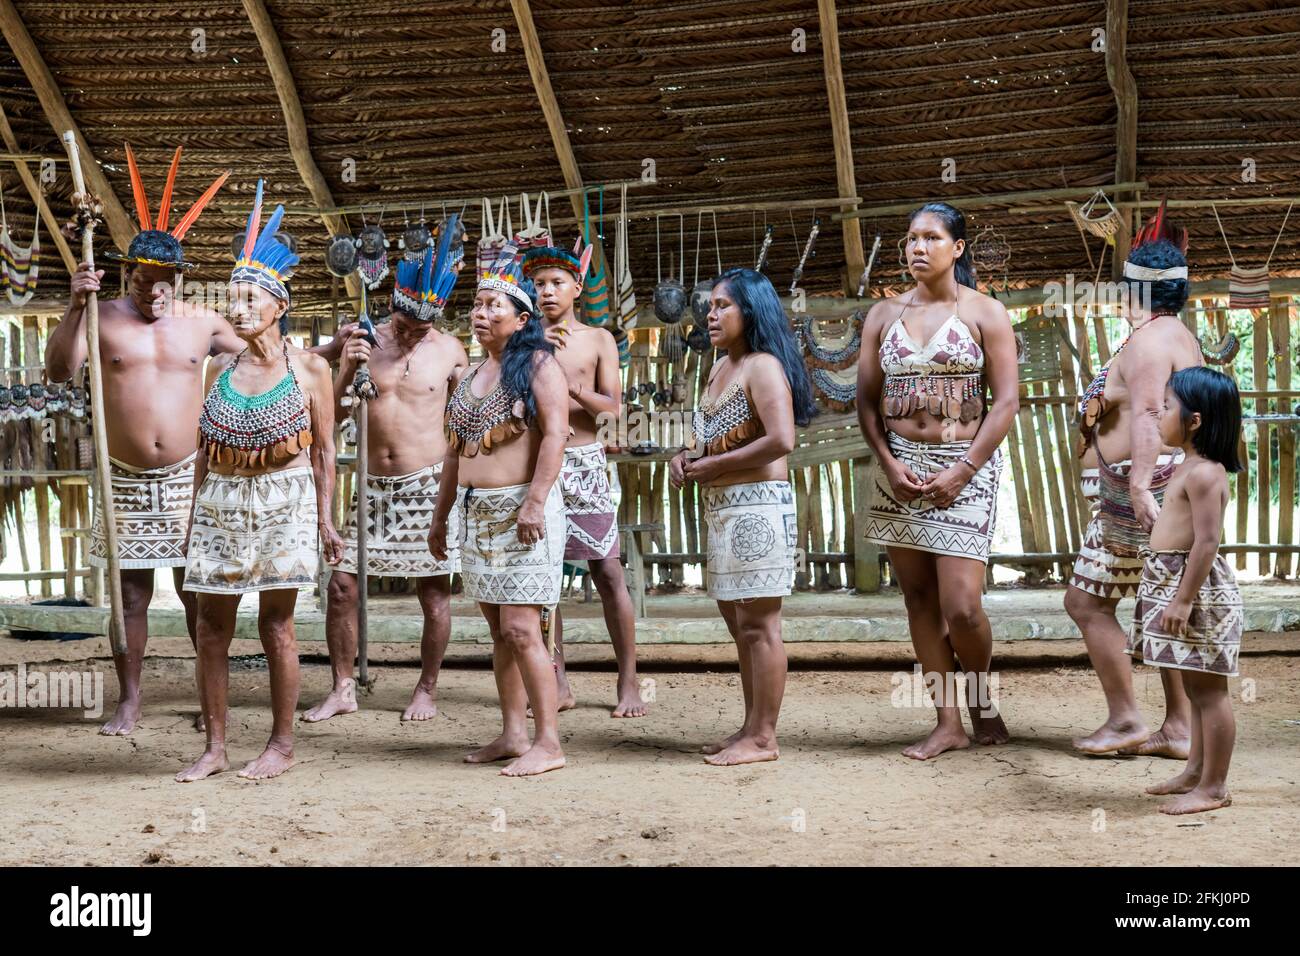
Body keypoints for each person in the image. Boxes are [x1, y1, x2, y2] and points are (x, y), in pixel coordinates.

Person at [44, 144, 236, 736]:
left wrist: (328, 357)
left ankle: (210, 701)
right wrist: (77, 306)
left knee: (196, 594)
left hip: (187, 475)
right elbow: (57, 370)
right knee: (130, 597)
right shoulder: (100, 317)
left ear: (181, 278)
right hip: (123, 475)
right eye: (144, 279)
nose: (156, 291)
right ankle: (131, 697)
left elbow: (267, 358)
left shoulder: (203, 322)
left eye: (166, 281)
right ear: (127, 274)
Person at [176, 182, 342, 782]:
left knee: (276, 623)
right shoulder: (218, 367)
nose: (239, 308)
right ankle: (216, 747)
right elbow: (202, 449)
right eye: (232, 299)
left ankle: (281, 745)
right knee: (209, 625)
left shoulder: (311, 370)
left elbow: (325, 451)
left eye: (251, 298)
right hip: (221, 499)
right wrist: (194, 511)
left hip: (287, 499)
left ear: (280, 304)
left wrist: (326, 518)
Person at [857, 202, 1019, 760]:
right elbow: (865, 402)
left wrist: (965, 468)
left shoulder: (985, 313)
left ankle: (980, 700)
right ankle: (947, 721)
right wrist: (887, 462)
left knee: (963, 606)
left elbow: (1006, 403)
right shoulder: (882, 316)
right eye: (911, 239)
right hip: (900, 468)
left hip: (964, 468)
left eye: (931, 238)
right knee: (920, 598)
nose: (917, 248)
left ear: (958, 248)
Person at [305, 218, 468, 723]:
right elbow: (327, 417)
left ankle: (426, 688)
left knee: (433, 591)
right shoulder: (363, 339)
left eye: (422, 329)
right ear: (392, 307)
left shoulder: (449, 351)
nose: (412, 336)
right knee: (341, 588)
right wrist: (349, 366)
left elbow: (466, 422)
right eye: (404, 326)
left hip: (428, 483)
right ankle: (342, 686)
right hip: (373, 487)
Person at [1066, 201, 1202, 757]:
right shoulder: (1172, 335)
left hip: (1138, 489)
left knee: (1087, 603)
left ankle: (1128, 720)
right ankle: (1178, 728)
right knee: (1156, 599)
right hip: (1143, 486)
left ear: (1134, 292)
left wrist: (1142, 485)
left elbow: (1150, 415)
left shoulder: (1149, 341)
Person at [429, 243, 569, 777]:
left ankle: (549, 742)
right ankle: (513, 734)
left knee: (521, 627)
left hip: (523, 514)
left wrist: (534, 500)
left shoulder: (537, 363)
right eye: (477, 304)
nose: (481, 314)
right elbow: (453, 452)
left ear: (522, 318)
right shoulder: (469, 379)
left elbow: (556, 433)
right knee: (498, 631)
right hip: (476, 514)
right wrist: (441, 516)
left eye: (493, 306)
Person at [669, 267, 814, 766]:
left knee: (759, 626)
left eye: (722, 306)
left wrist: (711, 464)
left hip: (758, 507)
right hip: (723, 508)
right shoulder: (718, 368)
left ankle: (764, 738)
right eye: (709, 306)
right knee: (739, 625)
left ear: (750, 311)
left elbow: (781, 440)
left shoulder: (762, 366)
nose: (710, 314)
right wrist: (686, 455)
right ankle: (750, 728)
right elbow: (711, 435)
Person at [521, 239, 645, 717]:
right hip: (536, 471)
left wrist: (567, 386)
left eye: (556, 283)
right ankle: (559, 682)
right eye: (539, 285)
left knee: (608, 571)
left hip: (586, 465)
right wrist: (533, 356)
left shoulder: (598, 340)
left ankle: (629, 682)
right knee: (544, 581)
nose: (547, 292)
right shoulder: (523, 339)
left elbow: (614, 409)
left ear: (576, 287)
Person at [1131, 367, 1243, 814]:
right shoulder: (1187, 466)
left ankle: (1213, 787)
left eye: (1168, 405)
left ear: (1194, 421)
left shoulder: (1206, 474)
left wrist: (1182, 599)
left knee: (1210, 692)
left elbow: (1207, 542)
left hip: (1198, 593)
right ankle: (1195, 772)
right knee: (1196, 690)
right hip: (1176, 583)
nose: (1159, 413)